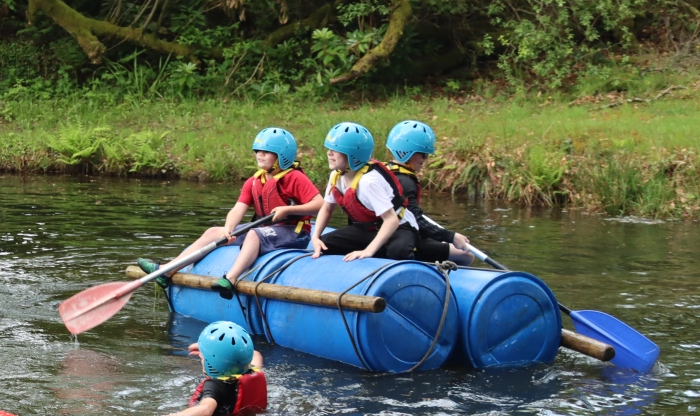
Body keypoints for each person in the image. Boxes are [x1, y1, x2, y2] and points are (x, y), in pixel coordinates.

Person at [171, 127, 324, 299]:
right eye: (258, 151)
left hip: (295, 233)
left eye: (266, 152)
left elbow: (319, 204)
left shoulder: (294, 178)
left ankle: (231, 279)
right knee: (214, 232)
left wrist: (287, 210)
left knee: (253, 234)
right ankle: (169, 269)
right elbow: (238, 208)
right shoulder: (254, 181)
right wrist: (229, 228)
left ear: (282, 156)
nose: (260, 155)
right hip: (266, 229)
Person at [309, 121, 419, 262]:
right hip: (369, 229)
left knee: (397, 251)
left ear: (354, 154)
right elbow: (327, 208)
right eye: (329, 149)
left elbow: (391, 220)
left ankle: (420, 251)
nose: (329, 153)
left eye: (335, 149)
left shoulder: (368, 182)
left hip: (400, 228)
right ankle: (378, 248)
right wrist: (316, 237)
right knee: (325, 244)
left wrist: (368, 251)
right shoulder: (335, 176)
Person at [384, 120, 475, 265]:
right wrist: (451, 236)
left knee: (440, 241)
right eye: (423, 154)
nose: (425, 159)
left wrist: (441, 237)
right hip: (399, 237)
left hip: (385, 232)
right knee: (467, 255)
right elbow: (416, 222)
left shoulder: (384, 172)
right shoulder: (406, 182)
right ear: (408, 153)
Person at [145, 321, 267, 416]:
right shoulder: (251, 370)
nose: (200, 357)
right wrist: (213, 350)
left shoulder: (215, 385)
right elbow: (255, 354)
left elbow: (205, 410)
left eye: (202, 356)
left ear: (211, 364)